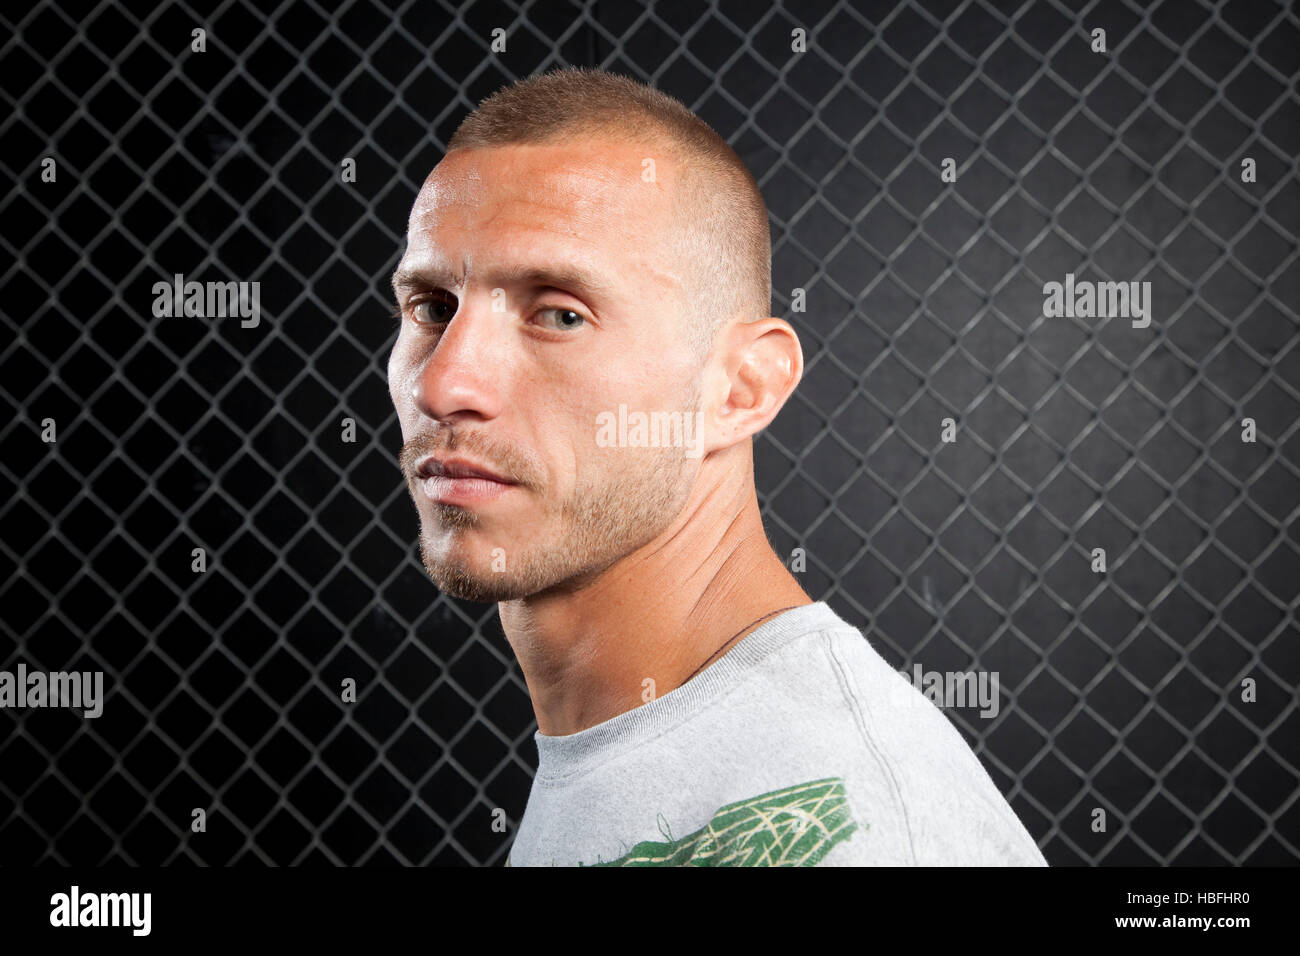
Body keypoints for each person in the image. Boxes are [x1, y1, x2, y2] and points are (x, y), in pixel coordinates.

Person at [387, 67, 1046, 866]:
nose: (444, 383)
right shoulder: (636, 749)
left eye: (559, 313)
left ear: (740, 389)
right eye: (431, 307)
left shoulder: (852, 830)